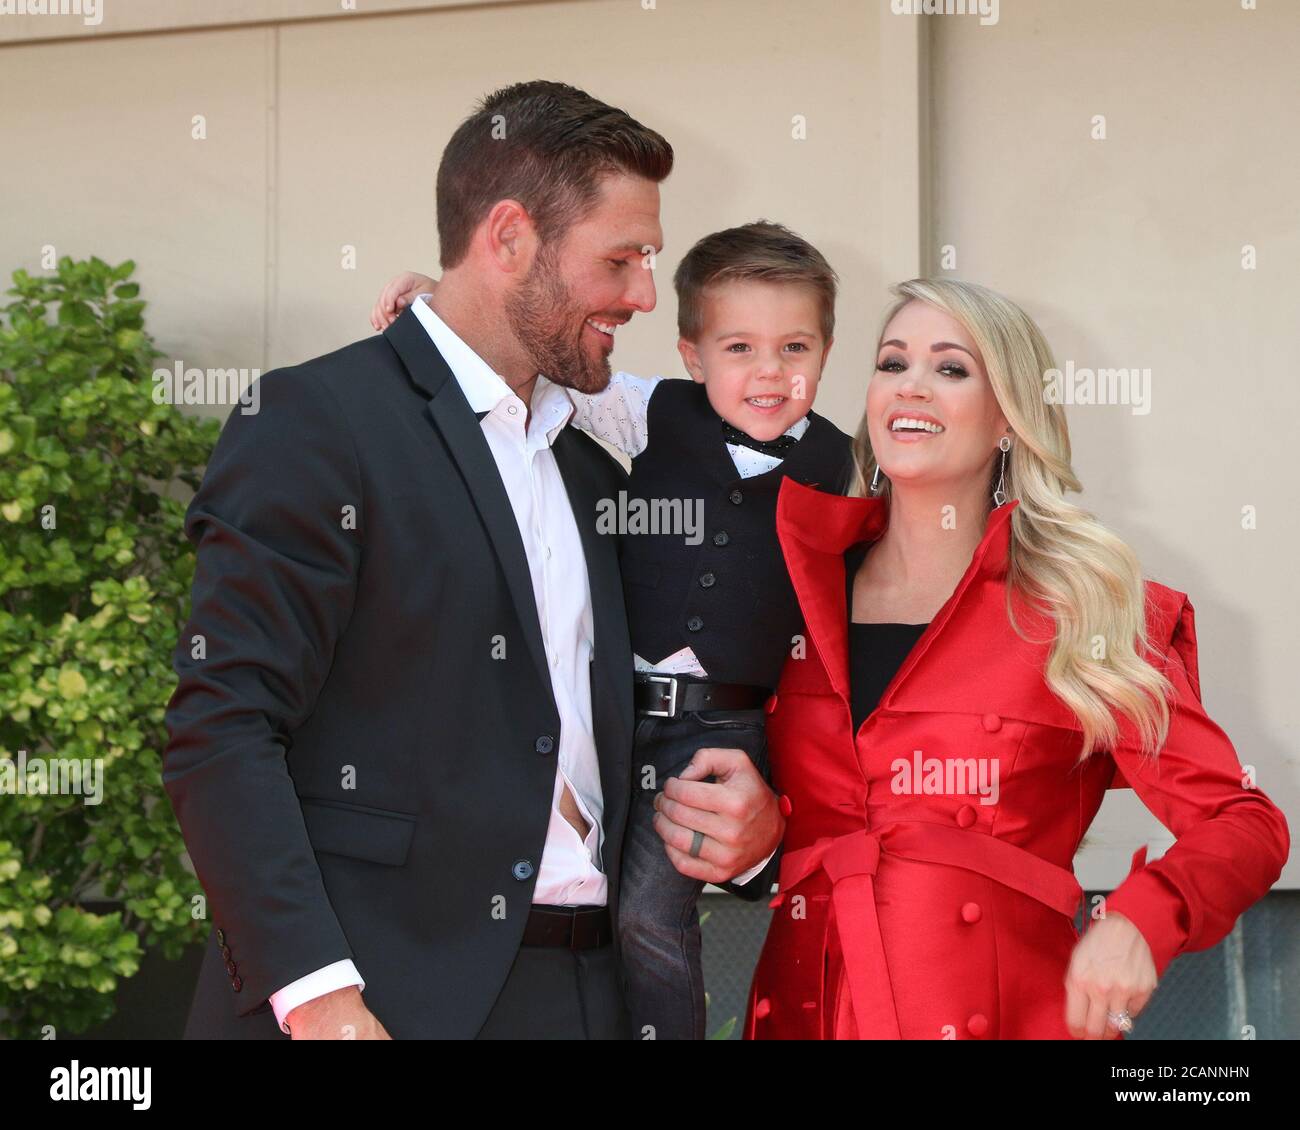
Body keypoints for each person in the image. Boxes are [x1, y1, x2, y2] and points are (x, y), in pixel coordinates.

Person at [162, 79, 781, 1041]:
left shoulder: (592, 465)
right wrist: (317, 996)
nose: (645, 295)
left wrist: (752, 832)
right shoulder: (317, 423)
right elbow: (223, 725)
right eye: (621, 258)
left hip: (596, 998)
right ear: (508, 238)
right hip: (372, 999)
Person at [744, 278, 1290, 1040]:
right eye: (893, 362)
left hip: (998, 1015)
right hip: (803, 1007)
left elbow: (1242, 821)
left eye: (951, 368)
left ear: (1008, 419)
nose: (913, 388)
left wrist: (1144, 918)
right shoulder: (790, 588)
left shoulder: (1082, 611)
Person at [373, 220, 854, 1039]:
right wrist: (440, 308)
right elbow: (528, 373)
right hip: (614, 716)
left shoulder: (846, 465)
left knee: (649, 915)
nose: (769, 373)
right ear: (693, 356)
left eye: (795, 349)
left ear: (825, 352)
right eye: (738, 349)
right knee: (582, 892)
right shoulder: (649, 414)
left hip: (724, 734)